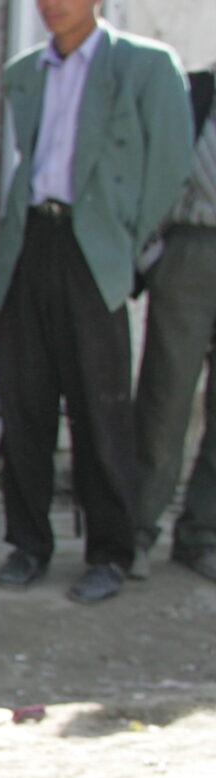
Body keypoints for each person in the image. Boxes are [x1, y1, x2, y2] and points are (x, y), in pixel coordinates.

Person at [0, 0, 193, 604]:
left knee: (101, 410)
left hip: (93, 249)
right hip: (32, 243)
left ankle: (110, 552)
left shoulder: (144, 65)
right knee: (25, 405)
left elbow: (171, 163)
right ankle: (28, 544)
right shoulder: (26, 71)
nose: (53, 1)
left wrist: (124, 240)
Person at [132, 59, 216, 582]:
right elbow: (155, 173)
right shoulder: (195, 92)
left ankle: (202, 534)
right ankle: (136, 530)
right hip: (191, 251)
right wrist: (151, 257)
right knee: (166, 398)